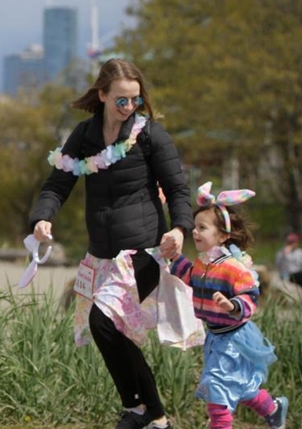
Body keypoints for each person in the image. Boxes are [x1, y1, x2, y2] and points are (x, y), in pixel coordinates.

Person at [30, 59, 193, 429]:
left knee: (105, 324)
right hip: (102, 252)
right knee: (115, 333)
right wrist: (43, 217)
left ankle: (138, 411)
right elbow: (57, 184)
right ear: (102, 95)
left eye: (135, 100)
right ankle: (153, 417)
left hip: (144, 249)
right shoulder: (85, 136)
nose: (128, 108)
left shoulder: (150, 134)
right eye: (121, 100)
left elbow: (179, 189)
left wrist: (180, 229)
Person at [169, 182, 287, 429]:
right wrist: (172, 257)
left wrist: (232, 305)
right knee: (240, 387)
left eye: (202, 228)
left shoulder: (233, 267)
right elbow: (190, 276)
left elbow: (250, 295)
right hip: (215, 337)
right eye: (195, 227)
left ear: (222, 236)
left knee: (218, 389)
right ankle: (273, 408)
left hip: (234, 338)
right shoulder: (204, 263)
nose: (195, 232)